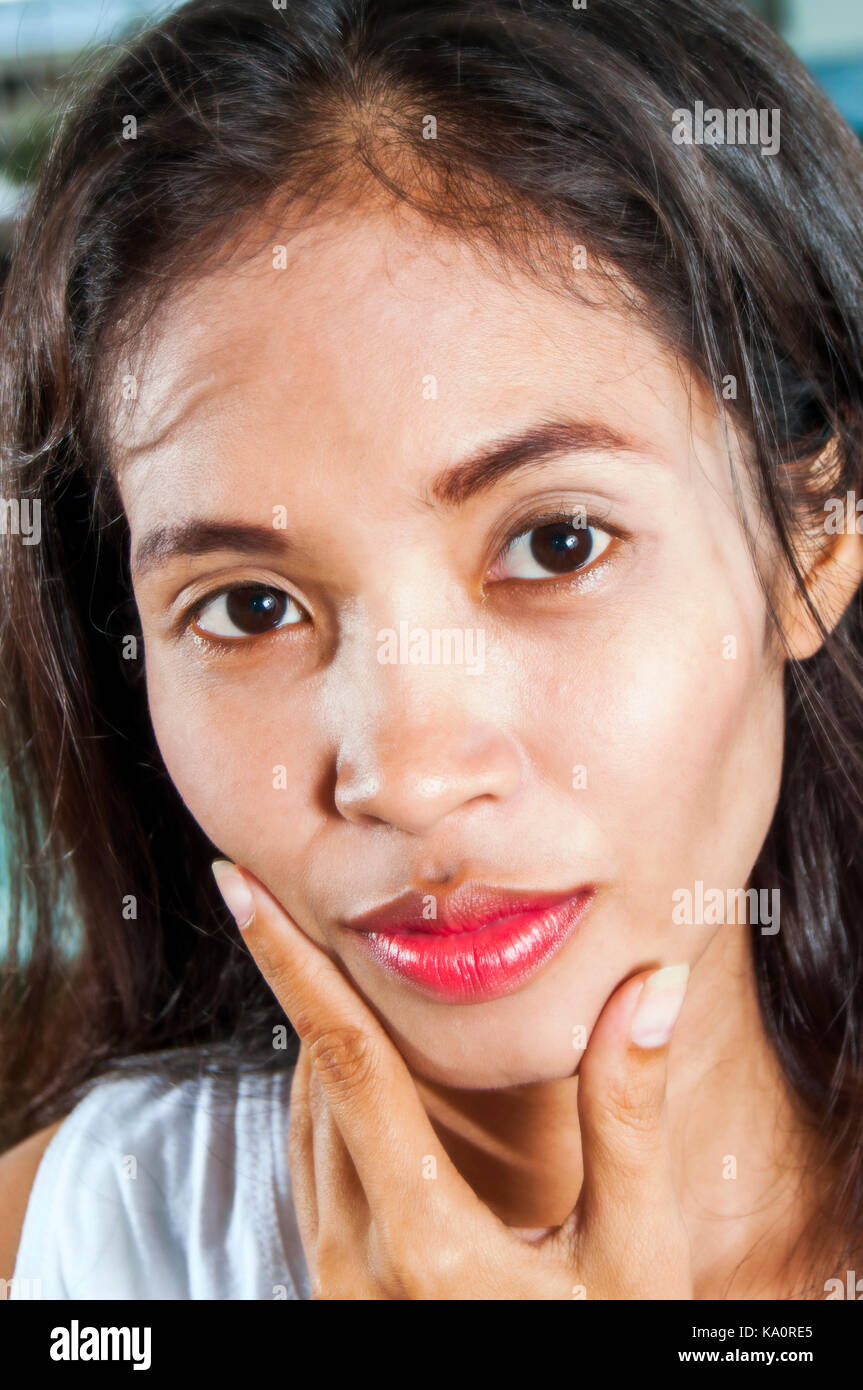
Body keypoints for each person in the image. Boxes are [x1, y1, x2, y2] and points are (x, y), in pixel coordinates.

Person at [2, 0, 863, 1300]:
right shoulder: (68, 1238)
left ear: (818, 532)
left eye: (558, 544)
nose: (402, 772)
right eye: (248, 607)